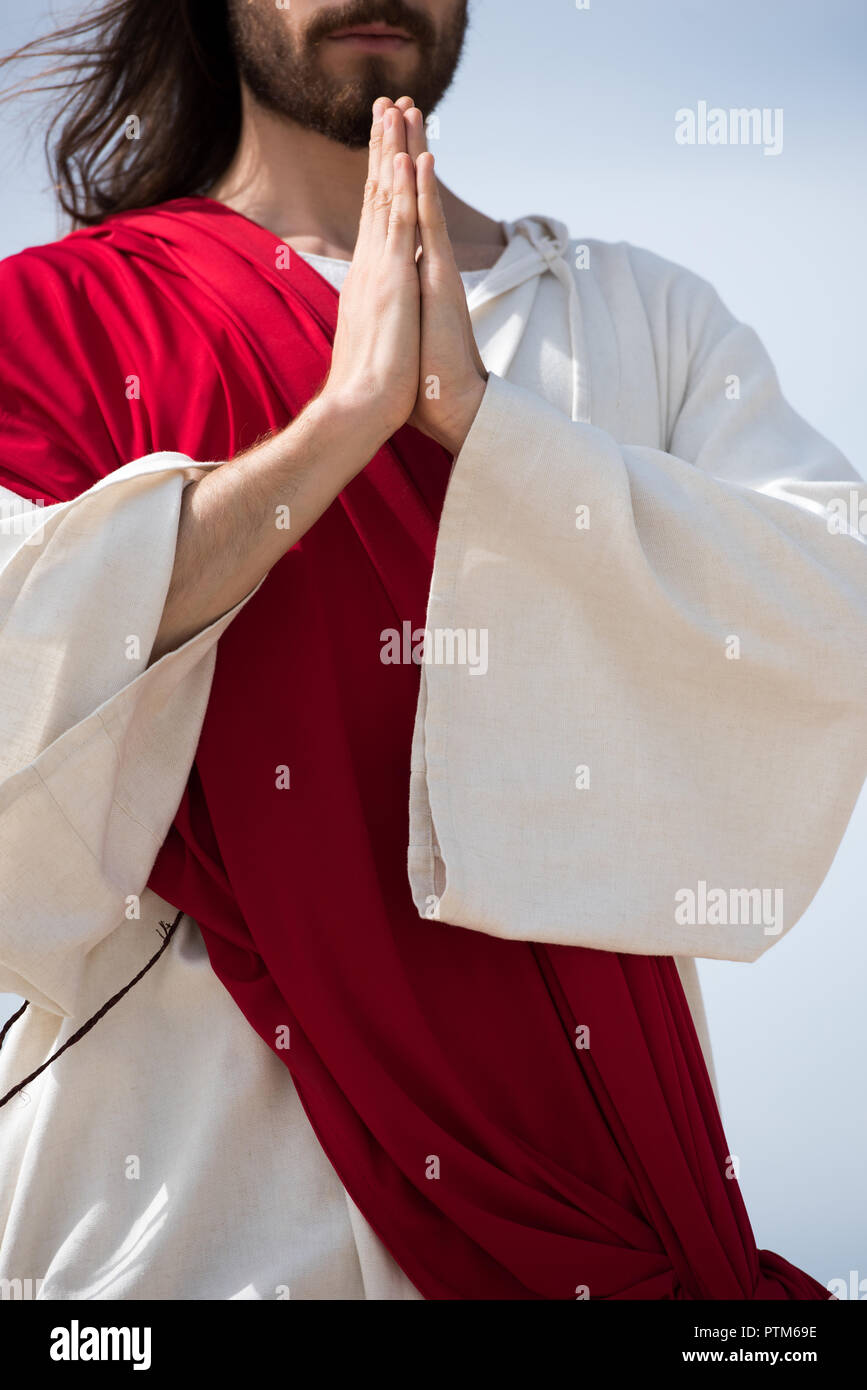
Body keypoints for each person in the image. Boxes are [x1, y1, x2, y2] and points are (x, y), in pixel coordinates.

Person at [0, 0, 863, 1301]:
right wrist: (337, 430)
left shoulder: (642, 316)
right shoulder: (61, 326)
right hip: (184, 1248)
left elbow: (830, 621)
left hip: (595, 1218)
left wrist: (489, 428)